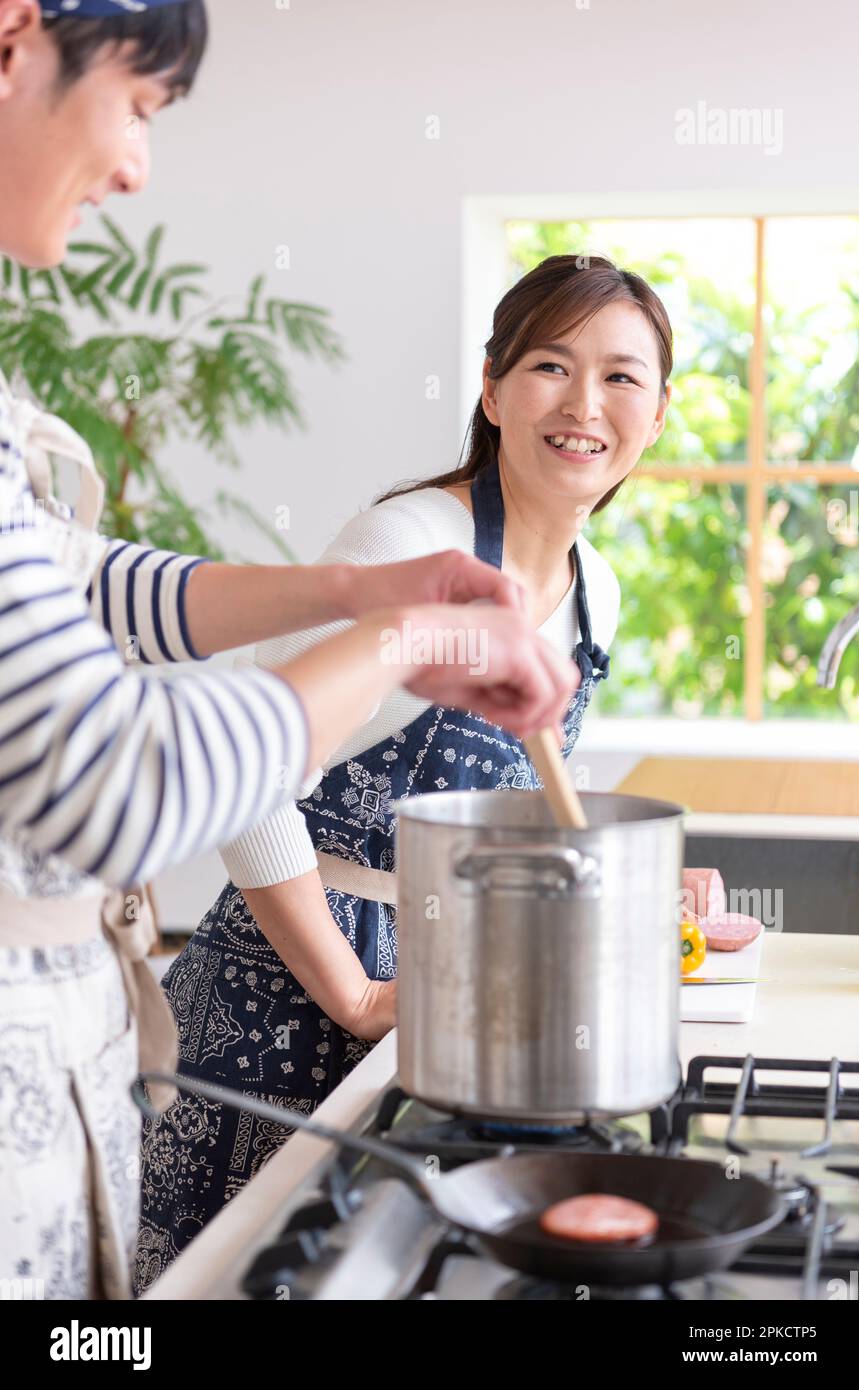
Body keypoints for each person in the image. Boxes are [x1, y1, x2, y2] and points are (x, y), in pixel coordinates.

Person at [0, 0, 578, 1299]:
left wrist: (351, 587)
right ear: (15, 38)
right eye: (142, 104)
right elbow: (118, 787)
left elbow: (84, 582)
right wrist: (397, 632)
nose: (139, 165)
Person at [135, 253, 673, 1291]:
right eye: (551, 366)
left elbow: (535, 798)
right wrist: (347, 987)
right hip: (283, 997)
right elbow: (248, 777)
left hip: (439, 998)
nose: (584, 404)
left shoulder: (595, 588)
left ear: (658, 410)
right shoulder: (412, 540)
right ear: (492, 387)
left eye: (621, 376)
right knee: (240, 1276)